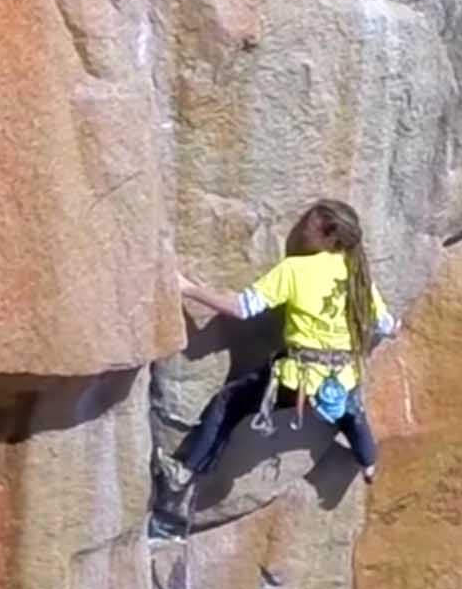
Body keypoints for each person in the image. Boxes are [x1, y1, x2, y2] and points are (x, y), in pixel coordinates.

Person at [161, 199, 397, 515]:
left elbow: (240, 308)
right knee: (349, 408)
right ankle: (368, 463)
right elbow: (385, 324)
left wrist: (188, 288)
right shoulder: (358, 275)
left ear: (328, 233)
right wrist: (396, 326)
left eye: (308, 224)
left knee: (230, 403)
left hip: (298, 381)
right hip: (342, 375)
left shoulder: (296, 270)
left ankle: (186, 470)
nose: (302, 228)